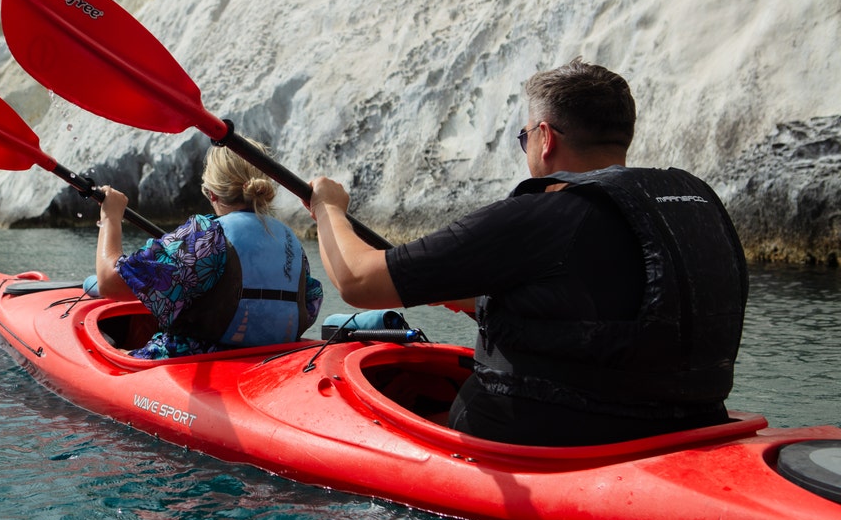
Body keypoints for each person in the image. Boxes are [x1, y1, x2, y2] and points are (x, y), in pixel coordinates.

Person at [307, 58, 749, 446]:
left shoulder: (542, 213)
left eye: (525, 137)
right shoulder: (690, 205)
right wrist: (483, 302)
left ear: (545, 137)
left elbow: (358, 281)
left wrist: (328, 208)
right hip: (687, 428)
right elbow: (613, 311)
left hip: (551, 441)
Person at [93, 139, 324, 359]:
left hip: (196, 360)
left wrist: (111, 216)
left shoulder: (206, 235)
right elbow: (309, 303)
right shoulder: (291, 242)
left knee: (111, 345)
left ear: (212, 192)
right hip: (268, 359)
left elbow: (109, 282)